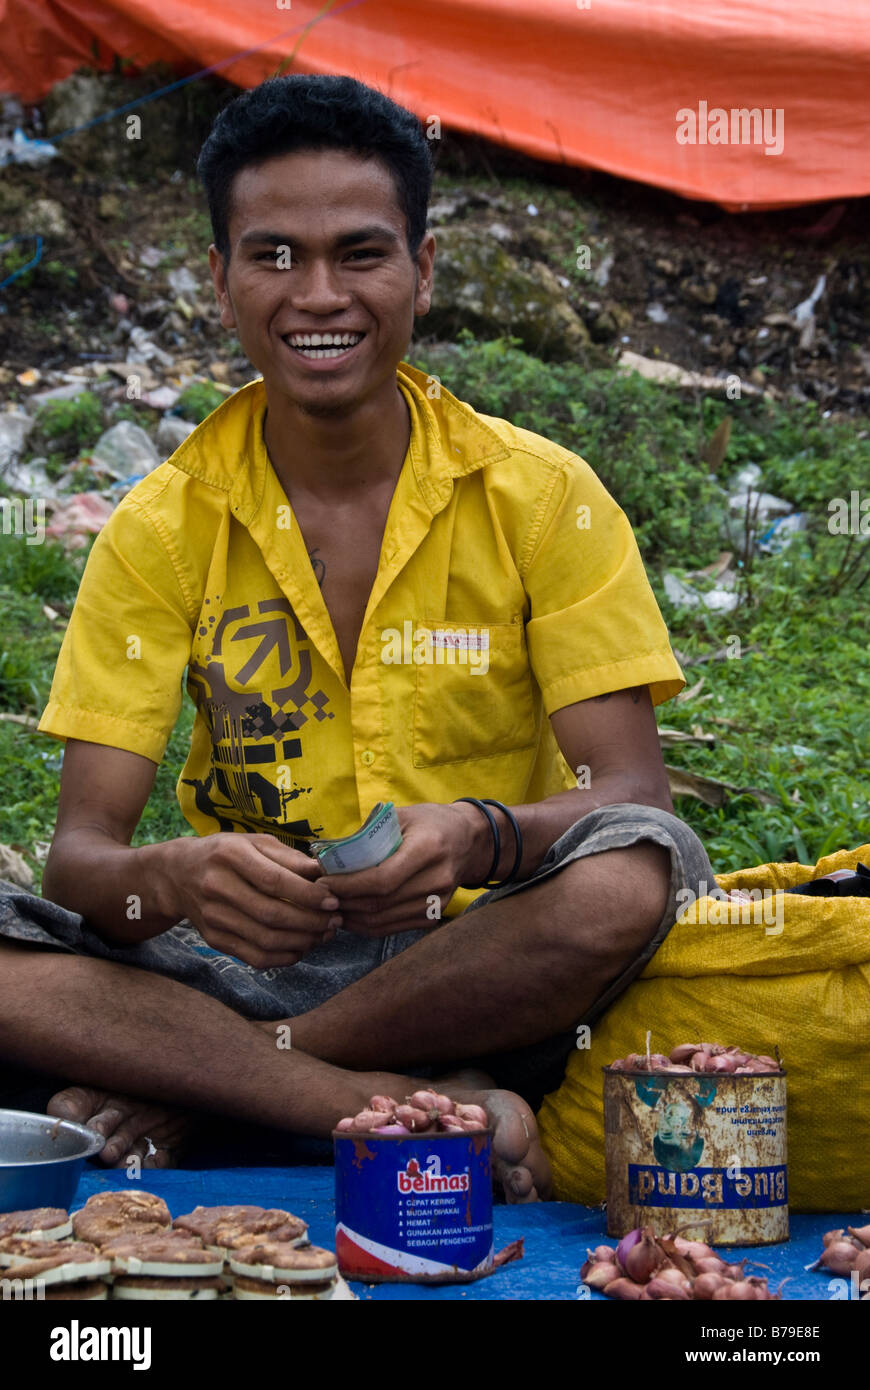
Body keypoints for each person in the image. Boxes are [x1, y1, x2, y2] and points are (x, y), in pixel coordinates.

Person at [0, 74, 716, 1201]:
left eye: (361, 253)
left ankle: (209, 1094)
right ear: (221, 278)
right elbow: (84, 867)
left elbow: (630, 794)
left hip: (474, 963)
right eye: (274, 254)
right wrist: (185, 877)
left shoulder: (542, 498)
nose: (317, 294)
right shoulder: (157, 528)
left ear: (424, 271)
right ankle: (391, 1102)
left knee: (633, 874)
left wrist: (481, 838)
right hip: (228, 972)